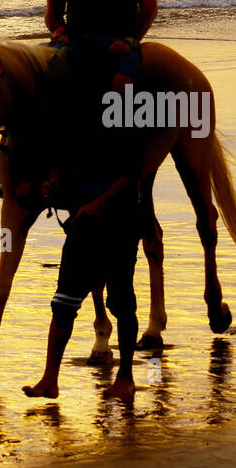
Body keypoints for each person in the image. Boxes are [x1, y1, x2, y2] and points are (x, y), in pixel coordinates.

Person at [22, 126, 144, 402]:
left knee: (121, 302)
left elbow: (133, 173)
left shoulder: (123, 119)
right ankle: (49, 380)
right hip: (82, 221)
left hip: (120, 222)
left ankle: (125, 377)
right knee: (63, 303)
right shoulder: (75, 119)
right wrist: (50, 186)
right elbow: (60, 165)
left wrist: (100, 203)